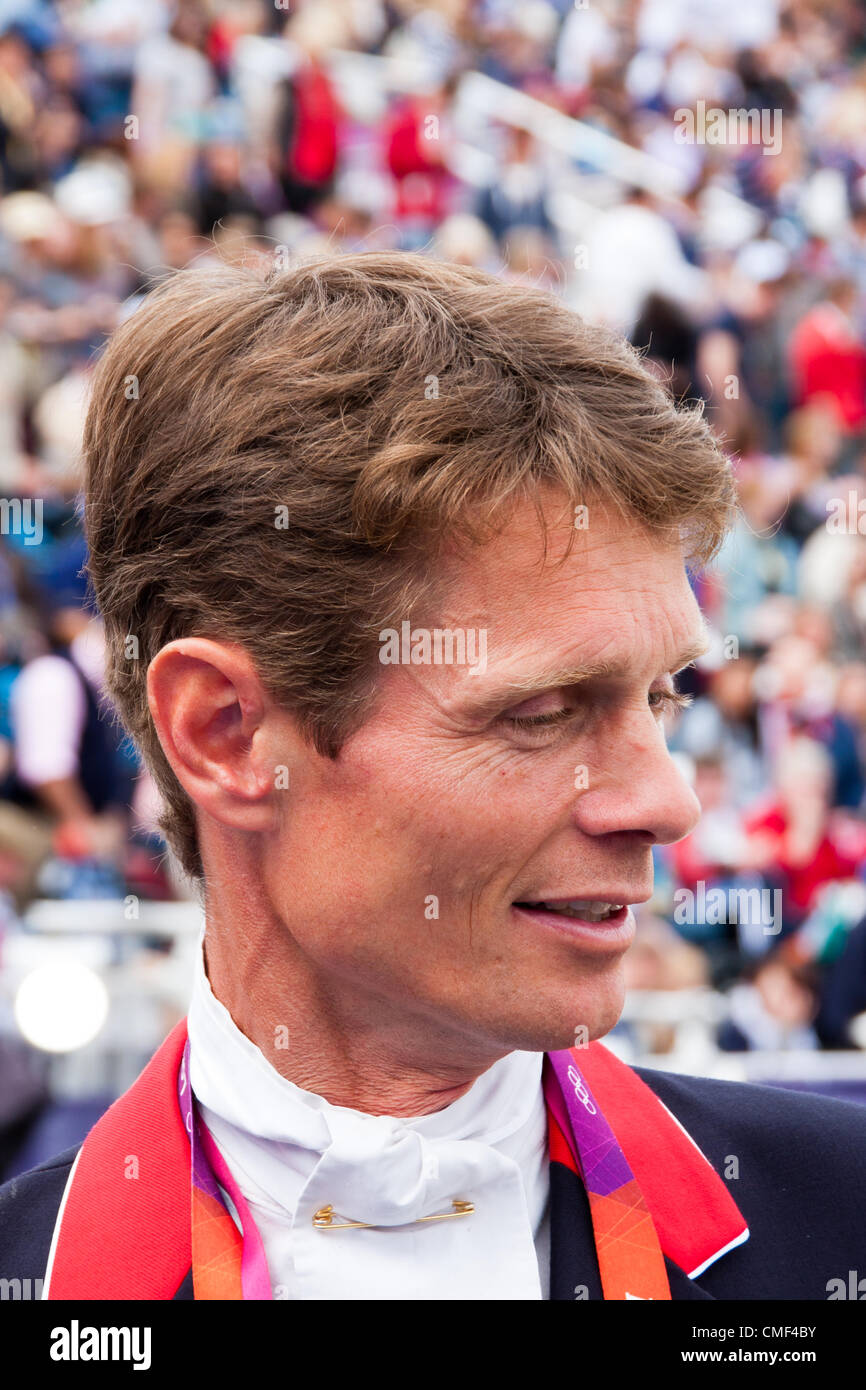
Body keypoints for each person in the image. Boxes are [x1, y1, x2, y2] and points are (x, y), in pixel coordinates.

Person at [2, 252, 866, 1302]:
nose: (666, 801)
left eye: (659, 694)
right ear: (225, 734)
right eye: (543, 711)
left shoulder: (839, 1215)